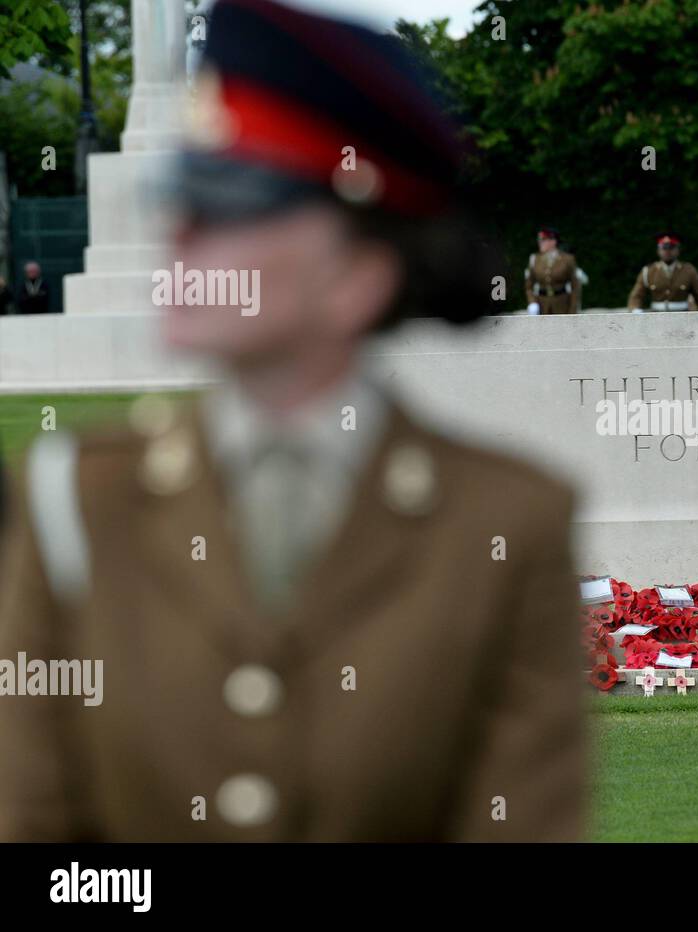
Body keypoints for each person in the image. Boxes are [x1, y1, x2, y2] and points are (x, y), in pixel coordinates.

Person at [0, 0, 585, 842]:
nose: (182, 231)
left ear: (359, 274)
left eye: (231, 202)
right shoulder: (70, 503)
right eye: (182, 194)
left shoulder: (505, 525)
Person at [626, 232, 698, 312]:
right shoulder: (648, 271)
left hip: (682, 317)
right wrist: (635, 310)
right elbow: (636, 296)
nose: (667, 251)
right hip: (656, 317)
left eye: (671, 247)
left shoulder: (689, 270)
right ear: (658, 250)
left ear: (678, 249)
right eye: (664, 247)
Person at [525, 226, 579, 314]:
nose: (540, 243)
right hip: (542, 305)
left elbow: (575, 287)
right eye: (539, 240)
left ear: (553, 241)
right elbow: (529, 286)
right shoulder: (534, 259)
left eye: (543, 240)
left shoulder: (568, 259)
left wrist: (572, 310)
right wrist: (532, 302)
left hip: (562, 304)